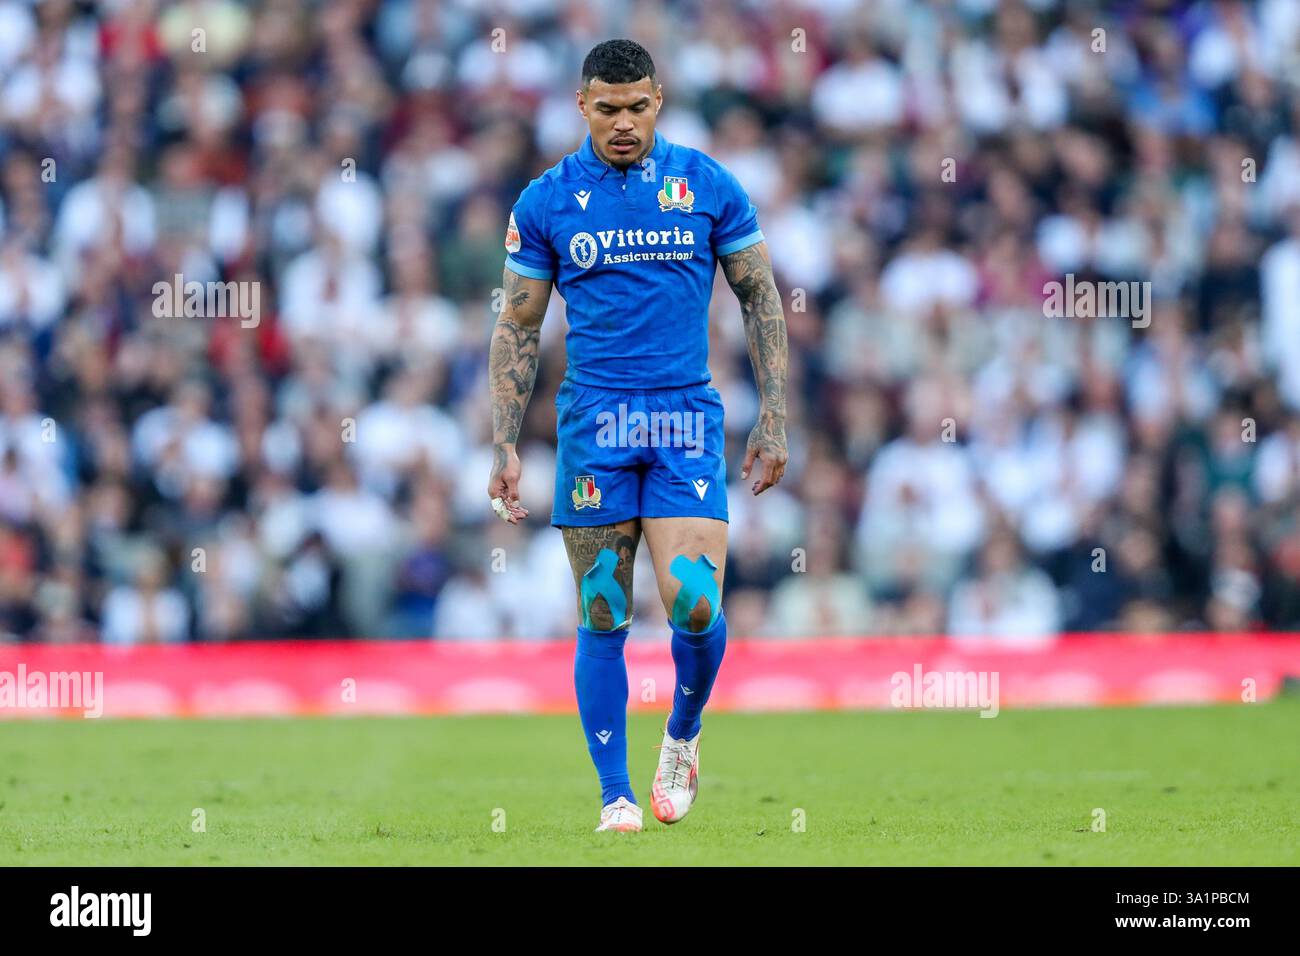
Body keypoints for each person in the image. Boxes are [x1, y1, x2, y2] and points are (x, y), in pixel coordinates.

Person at [486, 39, 788, 832]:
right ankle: (614, 795)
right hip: (595, 423)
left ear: (660, 99)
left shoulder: (706, 184)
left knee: (693, 604)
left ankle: (683, 735)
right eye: (608, 108)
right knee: (603, 608)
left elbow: (761, 298)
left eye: (638, 106)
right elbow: (518, 325)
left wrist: (776, 413)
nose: (624, 123)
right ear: (582, 105)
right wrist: (505, 440)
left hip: (685, 417)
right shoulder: (546, 201)